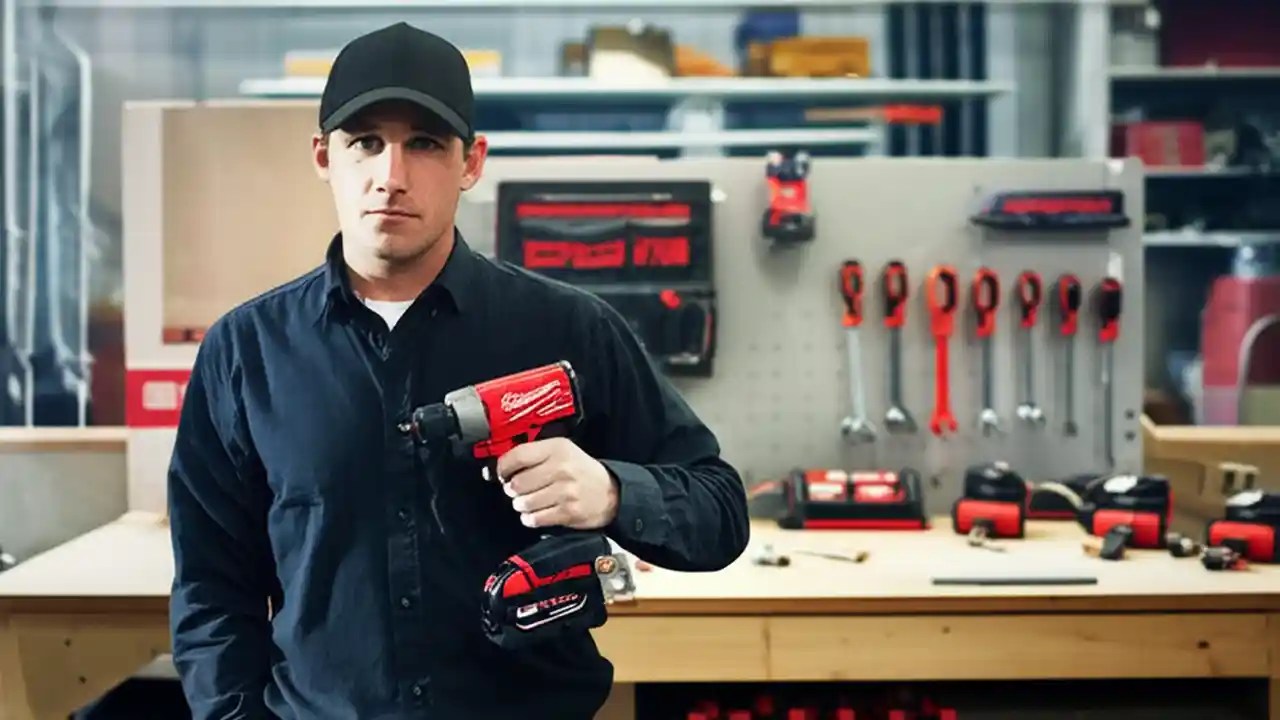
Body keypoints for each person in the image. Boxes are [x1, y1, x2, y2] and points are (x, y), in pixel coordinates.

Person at [166, 20, 751, 720]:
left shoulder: (568, 329)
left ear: (472, 162)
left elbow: (721, 513)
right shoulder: (246, 352)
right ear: (324, 156)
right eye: (365, 143)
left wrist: (612, 492)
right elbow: (210, 590)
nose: (391, 175)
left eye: (424, 144)